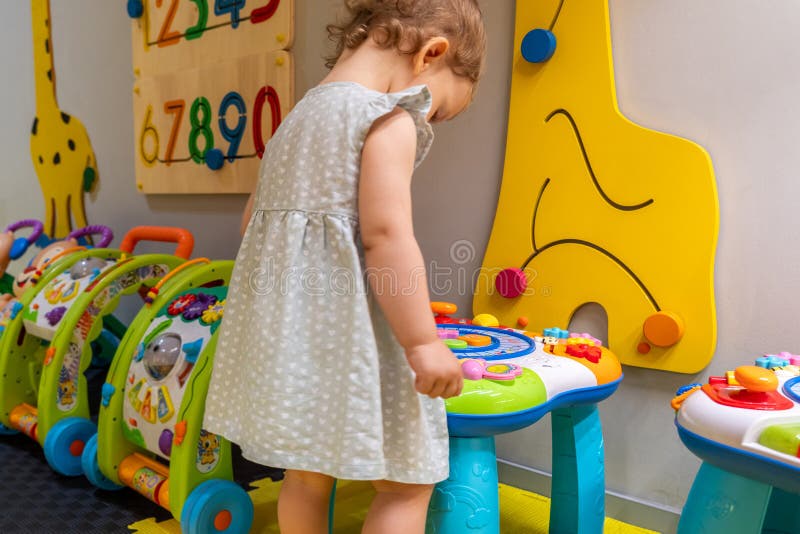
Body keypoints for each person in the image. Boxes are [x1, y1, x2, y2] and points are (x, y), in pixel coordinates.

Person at [204, 1, 487, 532]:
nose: (429, 119)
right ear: (431, 55)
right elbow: (386, 237)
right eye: (439, 111)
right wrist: (423, 343)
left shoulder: (297, 118)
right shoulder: (387, 117)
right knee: (408, 481)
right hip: (353, 339)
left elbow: (252, 226)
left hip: (291, 346)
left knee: (306, 478)